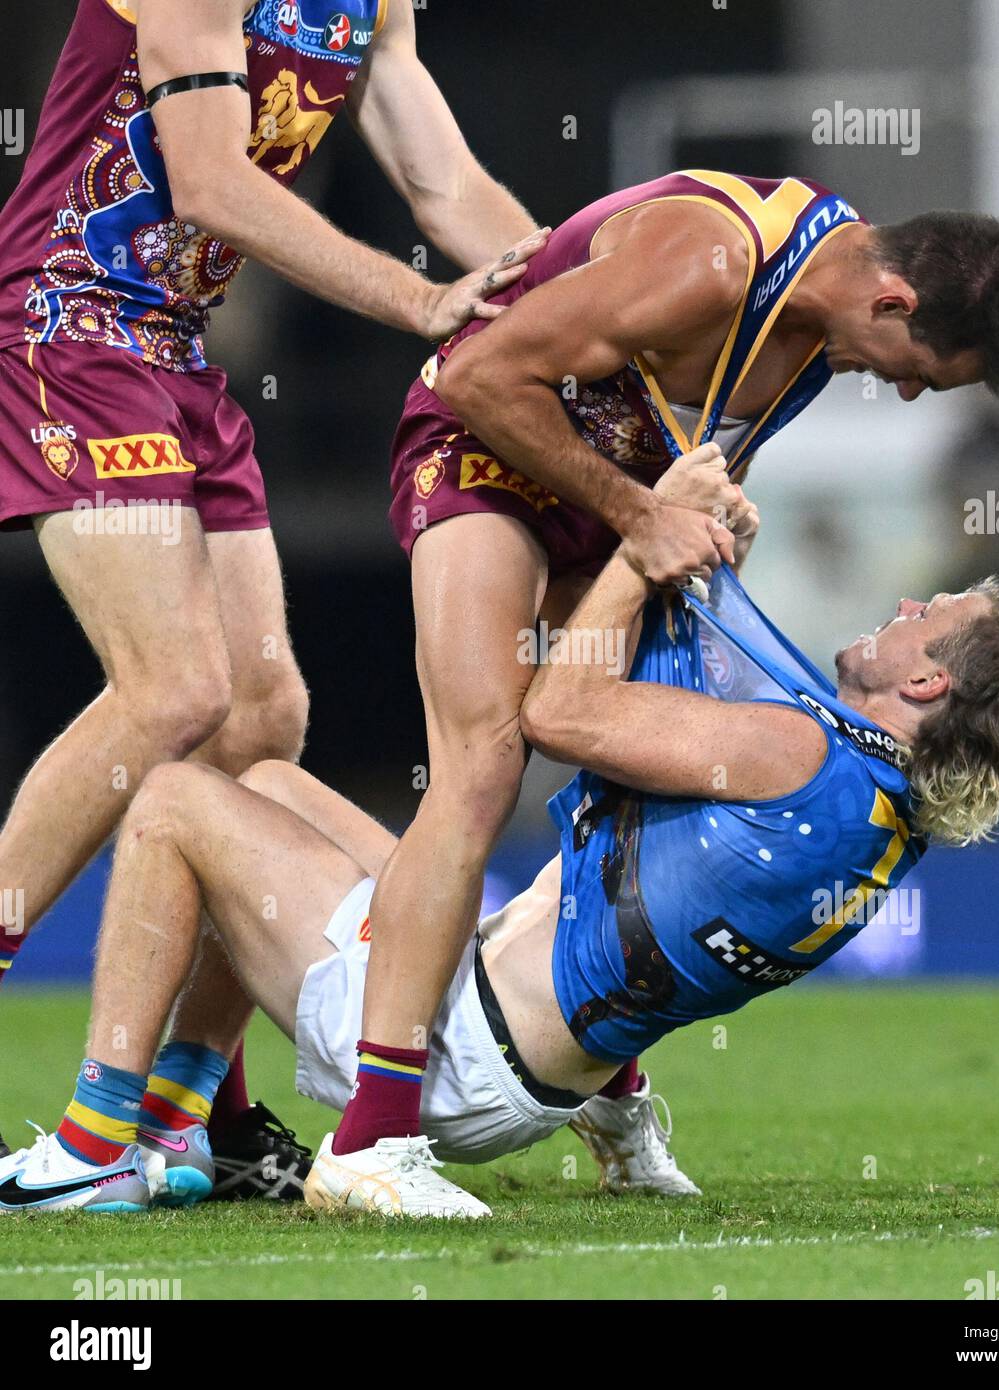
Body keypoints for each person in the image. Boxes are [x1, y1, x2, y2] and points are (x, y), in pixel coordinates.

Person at [0, 452, 999, 1217]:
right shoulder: (881, 821)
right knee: (265, 779)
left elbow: (558, 716)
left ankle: (102, 1140)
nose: (900, 600)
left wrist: (641, 548)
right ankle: (189, 1113)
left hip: (450, 1049)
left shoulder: (802, 755)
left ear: (927, 678)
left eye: (925, 611)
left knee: (176, 801)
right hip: (520, 1057)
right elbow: (654, 906)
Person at [337, 169, 999, 1209]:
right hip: (483, 448)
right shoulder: (714, 261)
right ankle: (373, 1138)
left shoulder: (819, 317)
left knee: (662, 760)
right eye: (921, 375)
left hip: (600, 479)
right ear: (893, 304)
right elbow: (481, 377)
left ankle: (610, 1096)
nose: (902, 392)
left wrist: (713, 507)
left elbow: (680, 442)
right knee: (486, 764)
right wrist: (642, 518)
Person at [0, 0, 545, 1175]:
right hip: (72, 324)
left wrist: (568, 293)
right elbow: (208, 185)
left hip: (180, 350)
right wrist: (419, 304)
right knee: (173, 692)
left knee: (262, 720)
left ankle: (182, 1113)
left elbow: (443, 183)